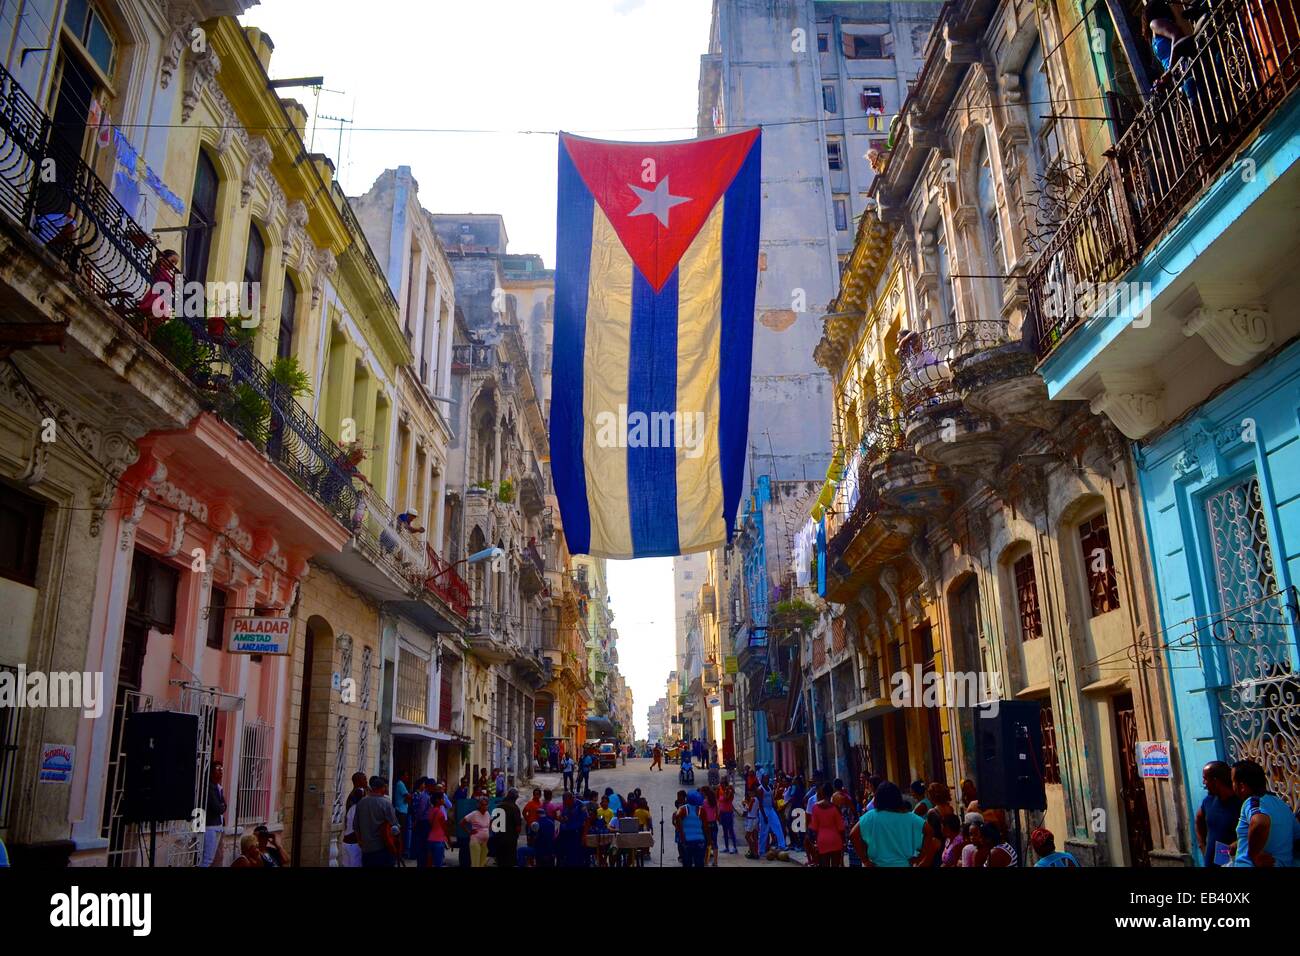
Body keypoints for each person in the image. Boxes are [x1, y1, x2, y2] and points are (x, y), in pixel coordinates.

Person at [850, 781, 936, 867]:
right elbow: (929, 831)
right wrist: (920, 856)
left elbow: (853, 834)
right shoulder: (909, 817)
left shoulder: (871, 816)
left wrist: (865, 860)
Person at [1231, 758, 1297, 867]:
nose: (1232, 786)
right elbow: (1295, 837)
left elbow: (1260, 823)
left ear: (1242, 786)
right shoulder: (1282, 805)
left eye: (1233, 781)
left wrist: (1254, 854)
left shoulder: (1252, 802)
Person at [1197, 760, 1242, 868]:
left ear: (1215, 781)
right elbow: (1199, 819)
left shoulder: (1240, 803)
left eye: (1205, 779)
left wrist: (1238, 843)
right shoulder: (1208, 801)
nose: (1204, 783)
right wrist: (1202, 846)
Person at [355, 775, 401, 867]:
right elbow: (394, 826)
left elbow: (356, 826)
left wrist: (360, 842)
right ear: (383, 788)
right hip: (382, 847)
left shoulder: (361, 803)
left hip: (366, 848)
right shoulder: (385, 803)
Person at [811, 783, 846, 866]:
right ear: (832, 793)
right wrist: (843, 842)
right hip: (835, 840)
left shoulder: (815, 808)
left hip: (822, 841)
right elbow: (841, 828)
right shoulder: (835, 808)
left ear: (822, 793)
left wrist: (815, 843)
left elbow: (814, 828)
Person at [202, 761, 227, 867]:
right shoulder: (209, 787)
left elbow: (224, 806)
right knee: (207, 859)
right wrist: (222, 806)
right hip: (210, 826)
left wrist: (222, 806)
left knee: (215, 858)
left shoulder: (218, 787)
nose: (221, 772)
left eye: (222, 769)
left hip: (218, 825)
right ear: (211, 772)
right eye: (218, 769)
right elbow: (218, 808)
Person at [341, 771, 367, 868]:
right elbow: (356, 824)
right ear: (358, 781)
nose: (366, 781)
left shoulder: (353, 796)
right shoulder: (359, 792)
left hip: (347, 841)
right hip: (354, 842)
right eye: (364, 779)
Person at [756, 774, 787, 855]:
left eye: (768, 779)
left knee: (777, 825)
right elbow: (760, 804)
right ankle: (761, 850)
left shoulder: (769, 787)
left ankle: (782, 845)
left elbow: (772, 800)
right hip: (764, 810)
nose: (767, 780)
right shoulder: (760, 789)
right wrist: (764, 816)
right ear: (762, 780)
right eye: (765, 779)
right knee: (764, 830)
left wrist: (775, 811)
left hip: (771, 809)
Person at [676, 791, 708, 867]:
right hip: (700, 841)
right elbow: (705, 827)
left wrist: (682, 835)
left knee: (687, 863)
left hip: (687, 841)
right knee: (699, 863)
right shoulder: (701, 810)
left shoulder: (683, 809)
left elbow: (677, 817)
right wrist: (707, 840)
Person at [461, 795, 493, 867]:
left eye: (486, 805)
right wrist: (469, 832)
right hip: (475, 840)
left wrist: (488, 829)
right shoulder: (474, 814)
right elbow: (462, 823)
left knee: (482, 863)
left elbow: (490, 821)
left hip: (485, 842)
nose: (484, 806)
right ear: (479, 805)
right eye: (482, 805)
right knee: (475, 863)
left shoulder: (487, 814)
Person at [496, 790, 523, 867]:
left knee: (501, 860)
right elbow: (518, 827)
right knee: (510, 860)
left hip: (499, 838)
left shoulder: (499, 806)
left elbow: (494, 824)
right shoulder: (515, 808)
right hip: (510, 838)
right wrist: (516, 836)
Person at [410, 777, 432, 866]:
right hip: (423, 822)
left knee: (425, 845)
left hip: (426, 822)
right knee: (422, 845)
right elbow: (420, 810)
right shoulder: (424, 796)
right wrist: (416, 821)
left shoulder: (428, 795)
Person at [427, 786, 450, 867]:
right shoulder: (440, 813)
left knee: (429, 863)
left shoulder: (431, 811)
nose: (443, 800)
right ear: (438, 800)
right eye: (442, 799)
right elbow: (445, 828)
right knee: (438, 864)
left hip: (430, 839)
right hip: (439, 840)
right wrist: (449, 840)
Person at [718, 778, 738, 854]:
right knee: (725, 831)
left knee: (730, 830)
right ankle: (727, 847)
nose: (721, 785)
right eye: (721, 783)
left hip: (728, 813)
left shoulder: (729, 792)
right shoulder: (721, 791)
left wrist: (728, 790)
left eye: (722, 783)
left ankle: (734, 847)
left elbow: (726, 798)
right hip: (723, 813)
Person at [393, 772, 411, 857]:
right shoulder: (400, 784)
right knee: (401, 833)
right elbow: (408, 796)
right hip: (401, 811)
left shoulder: (400, 784)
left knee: (402, 832)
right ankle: (400, 852)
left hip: (401, 810)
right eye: (406, 775)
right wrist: (408, 800)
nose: (407, 777)